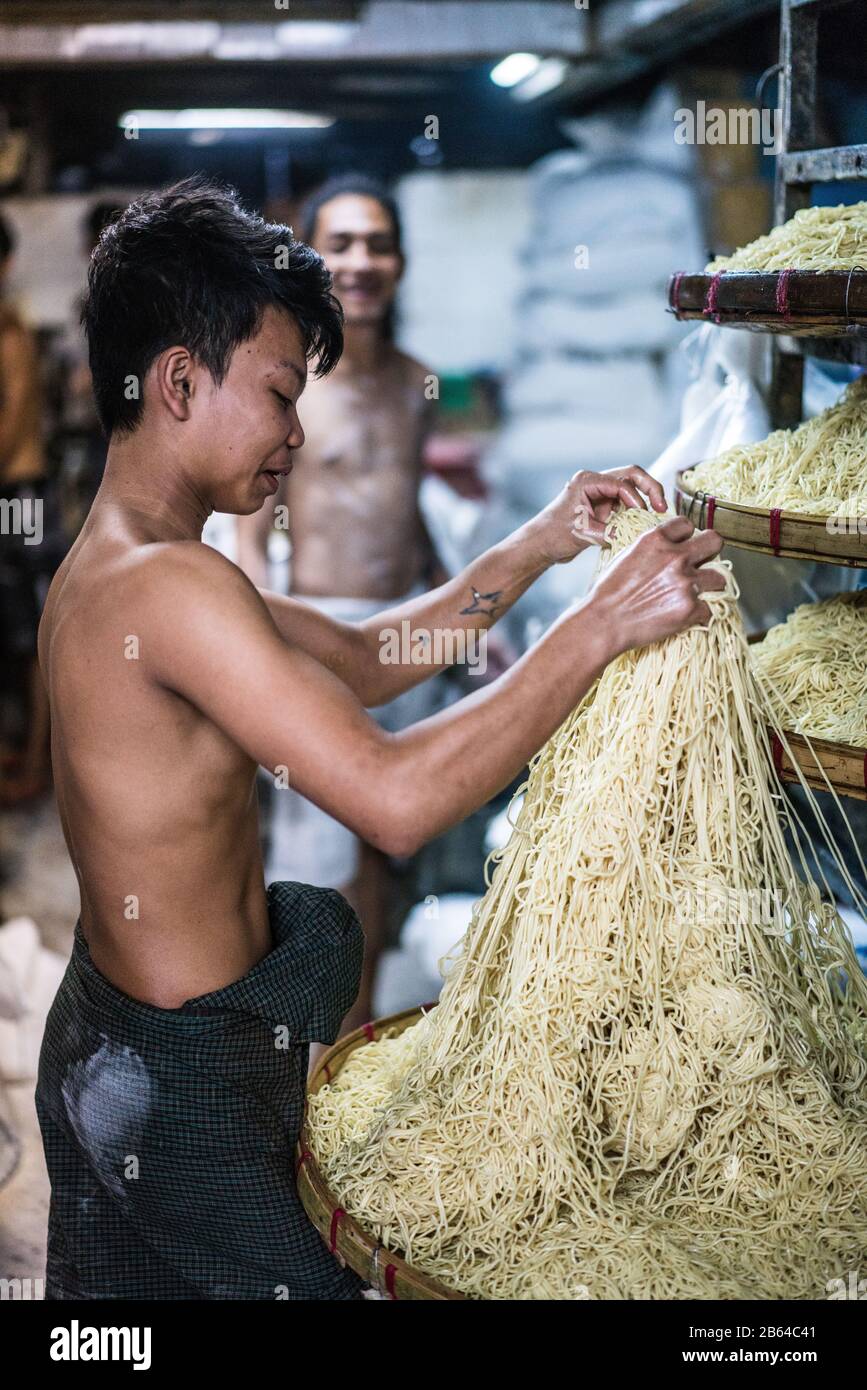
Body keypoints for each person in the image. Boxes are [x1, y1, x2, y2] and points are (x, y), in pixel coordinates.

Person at [35, 177, 724, 1301]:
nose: (296, 432)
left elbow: (371, 654)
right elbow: (395, 797)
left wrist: (542, 542)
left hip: (117, 1038)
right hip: (179, 1077)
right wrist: (602, 627)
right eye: (275, 393)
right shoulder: (172, 588)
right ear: (176, 381)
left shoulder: (121, 561)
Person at [235, 174, 440, 1034]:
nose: (361, 262)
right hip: (319, 637)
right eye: (341, 244)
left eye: (377, 243)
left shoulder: (417, 382)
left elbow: (411, 509)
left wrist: (464, 615)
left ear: (399, 260)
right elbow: (248, 522)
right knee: (313, 865)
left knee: (394, 847)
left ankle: (361, 1038)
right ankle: (304, 1052)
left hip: (407, 633)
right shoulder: (290, 385)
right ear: (310, 258)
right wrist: (260, 634)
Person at [0, 211, 52, 804]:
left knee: (36, 634)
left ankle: (39, 760)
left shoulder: (12, 333)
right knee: (12, 634)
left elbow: (12, 431)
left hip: (22, 498)